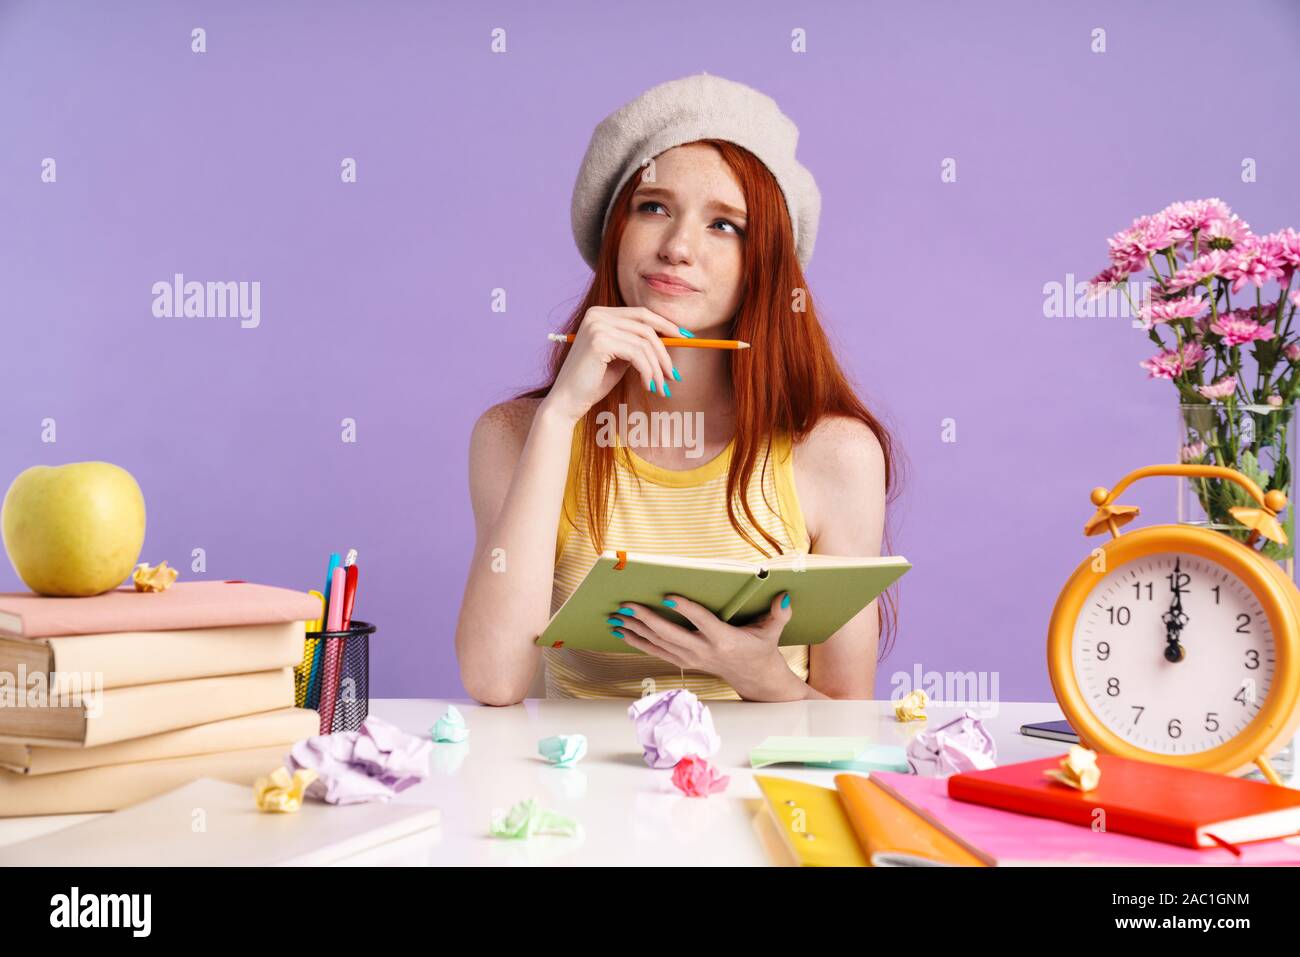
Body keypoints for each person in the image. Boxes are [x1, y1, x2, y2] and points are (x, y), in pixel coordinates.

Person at [456, 73, 903, 703]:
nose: (678, 248)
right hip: (587, 796)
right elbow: (494, 682)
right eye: (654, 207)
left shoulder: (837, 453)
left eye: (725, 226)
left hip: (762, 796)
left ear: (765, 265)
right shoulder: (513, 436)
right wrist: (560, 417)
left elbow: (850, 723)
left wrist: (762, 678)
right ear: (615, 232)